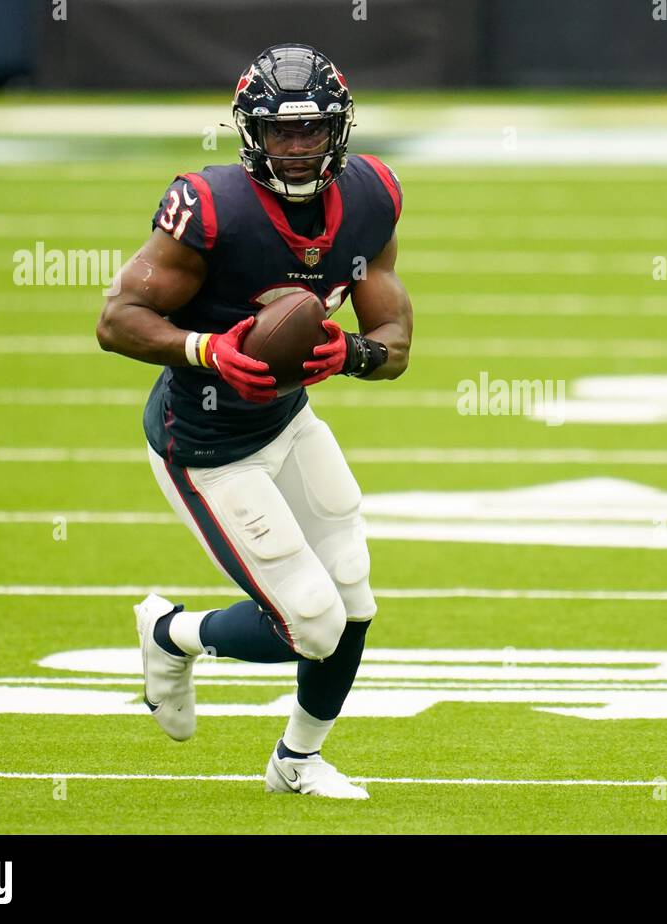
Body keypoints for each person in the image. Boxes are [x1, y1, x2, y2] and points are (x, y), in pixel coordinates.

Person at [96, 43, 412, 799]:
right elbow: (116, 320)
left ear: (339, 130)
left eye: (312, 131)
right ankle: (172, 634)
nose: (298, 149)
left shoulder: (371, 195)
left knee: (354, 595)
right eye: (281, 132)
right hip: (205, 446)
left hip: (288, 423)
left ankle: (295, 764)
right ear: (250, 133)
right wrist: (207, 349)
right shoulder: (212, 206)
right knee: (312, 621)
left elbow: (395, 343)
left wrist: (351, 355)